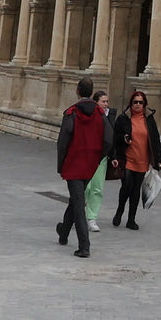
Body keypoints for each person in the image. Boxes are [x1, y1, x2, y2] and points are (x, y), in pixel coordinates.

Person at [55, 76, 111, 257]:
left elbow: (63, 141)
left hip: (73, 162)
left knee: (78, 203)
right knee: (76, 199)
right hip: (90, 163)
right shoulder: (100, 113)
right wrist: (98, 156)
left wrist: (61, 164)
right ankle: (63, 232)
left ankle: (84, 246)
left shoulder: (71, 112)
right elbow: (108, 139)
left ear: (78, 91)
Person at [111, 90, 159, 231]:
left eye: (140, 102)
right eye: (135, 102)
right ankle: (120, 211)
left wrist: (158, 159)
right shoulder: (123, 118)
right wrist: (123, 140)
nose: (138, 105)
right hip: (127, 158)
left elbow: (155, 139)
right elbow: (115, 137)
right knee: (126, 185)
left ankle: (131, 219)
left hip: (143, 159)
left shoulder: (149, 120)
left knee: (136, 189)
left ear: (144, 104)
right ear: (131, 103)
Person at [83, 90, 113, 232]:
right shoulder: (89, 116)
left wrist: (113, 156)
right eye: (103, 101)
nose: (106, 104)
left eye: (107, 101)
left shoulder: (110, 116)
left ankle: (92, 217)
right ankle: (80, 213)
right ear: (96, 102)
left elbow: (113, 137)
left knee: (97, 187)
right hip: (88, 155)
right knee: (85, 187)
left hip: (102, 157)